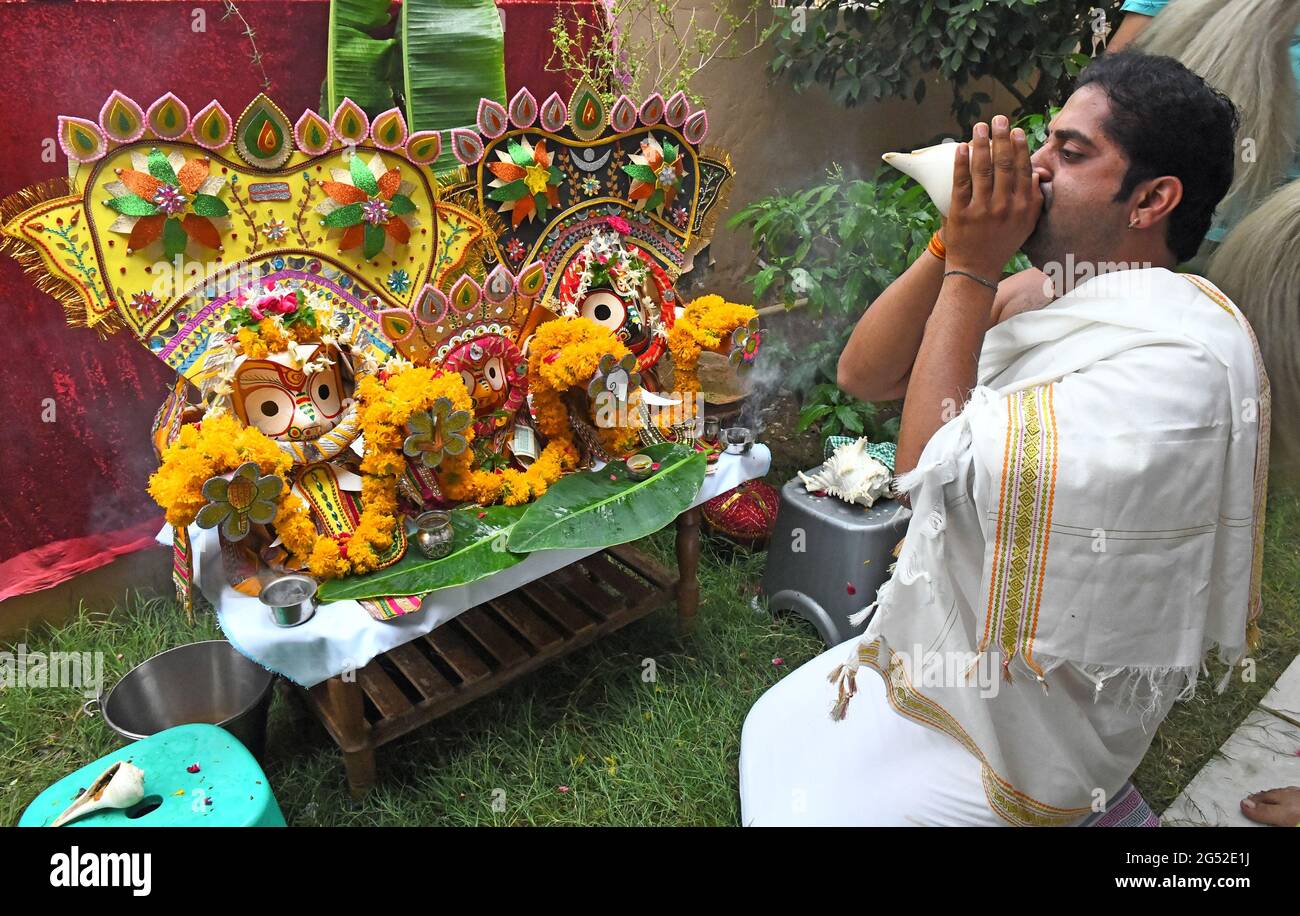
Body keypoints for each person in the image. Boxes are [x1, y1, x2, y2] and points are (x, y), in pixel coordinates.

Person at [738, 51, 1269, 826]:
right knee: (775, 732)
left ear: (1151, 199)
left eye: (1072, 152)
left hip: (1041, 728)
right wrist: (955, 250)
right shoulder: (1042, 290)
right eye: (1045, 141)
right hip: (946, 656)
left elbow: (925, 478)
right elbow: (868, 374)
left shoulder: (1175, 360)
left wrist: (976, 270)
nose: (1038, 166)